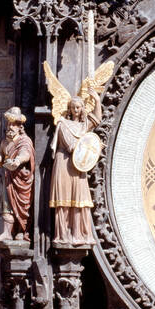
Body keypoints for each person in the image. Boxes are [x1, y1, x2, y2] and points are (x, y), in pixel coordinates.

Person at [50, 89, 102, 246]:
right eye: (73, 107)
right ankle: (63, 234)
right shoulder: (63, 124)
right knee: (64, 199)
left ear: (82, 109)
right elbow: (72, 146)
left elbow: (97, 119)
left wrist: (97, 100)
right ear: (69, 108)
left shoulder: (82, 126)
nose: (75, 110)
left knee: (81, 198)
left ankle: (79, 233)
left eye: (78, 107)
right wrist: (92, 146)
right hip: (65, 163)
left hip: (78, 165)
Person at [0, 107, 35, 243]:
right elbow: (2, 162)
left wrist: (17, 160)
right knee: (7, 204)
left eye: (13, 124)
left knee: (22, 206)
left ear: (20, 127)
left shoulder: (24, 141)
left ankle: (21, 230)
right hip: (9, 178)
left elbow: (26, 154)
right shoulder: (4, 142)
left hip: (21, 179)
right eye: (9, 124)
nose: (10, 127)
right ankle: (7, 232)